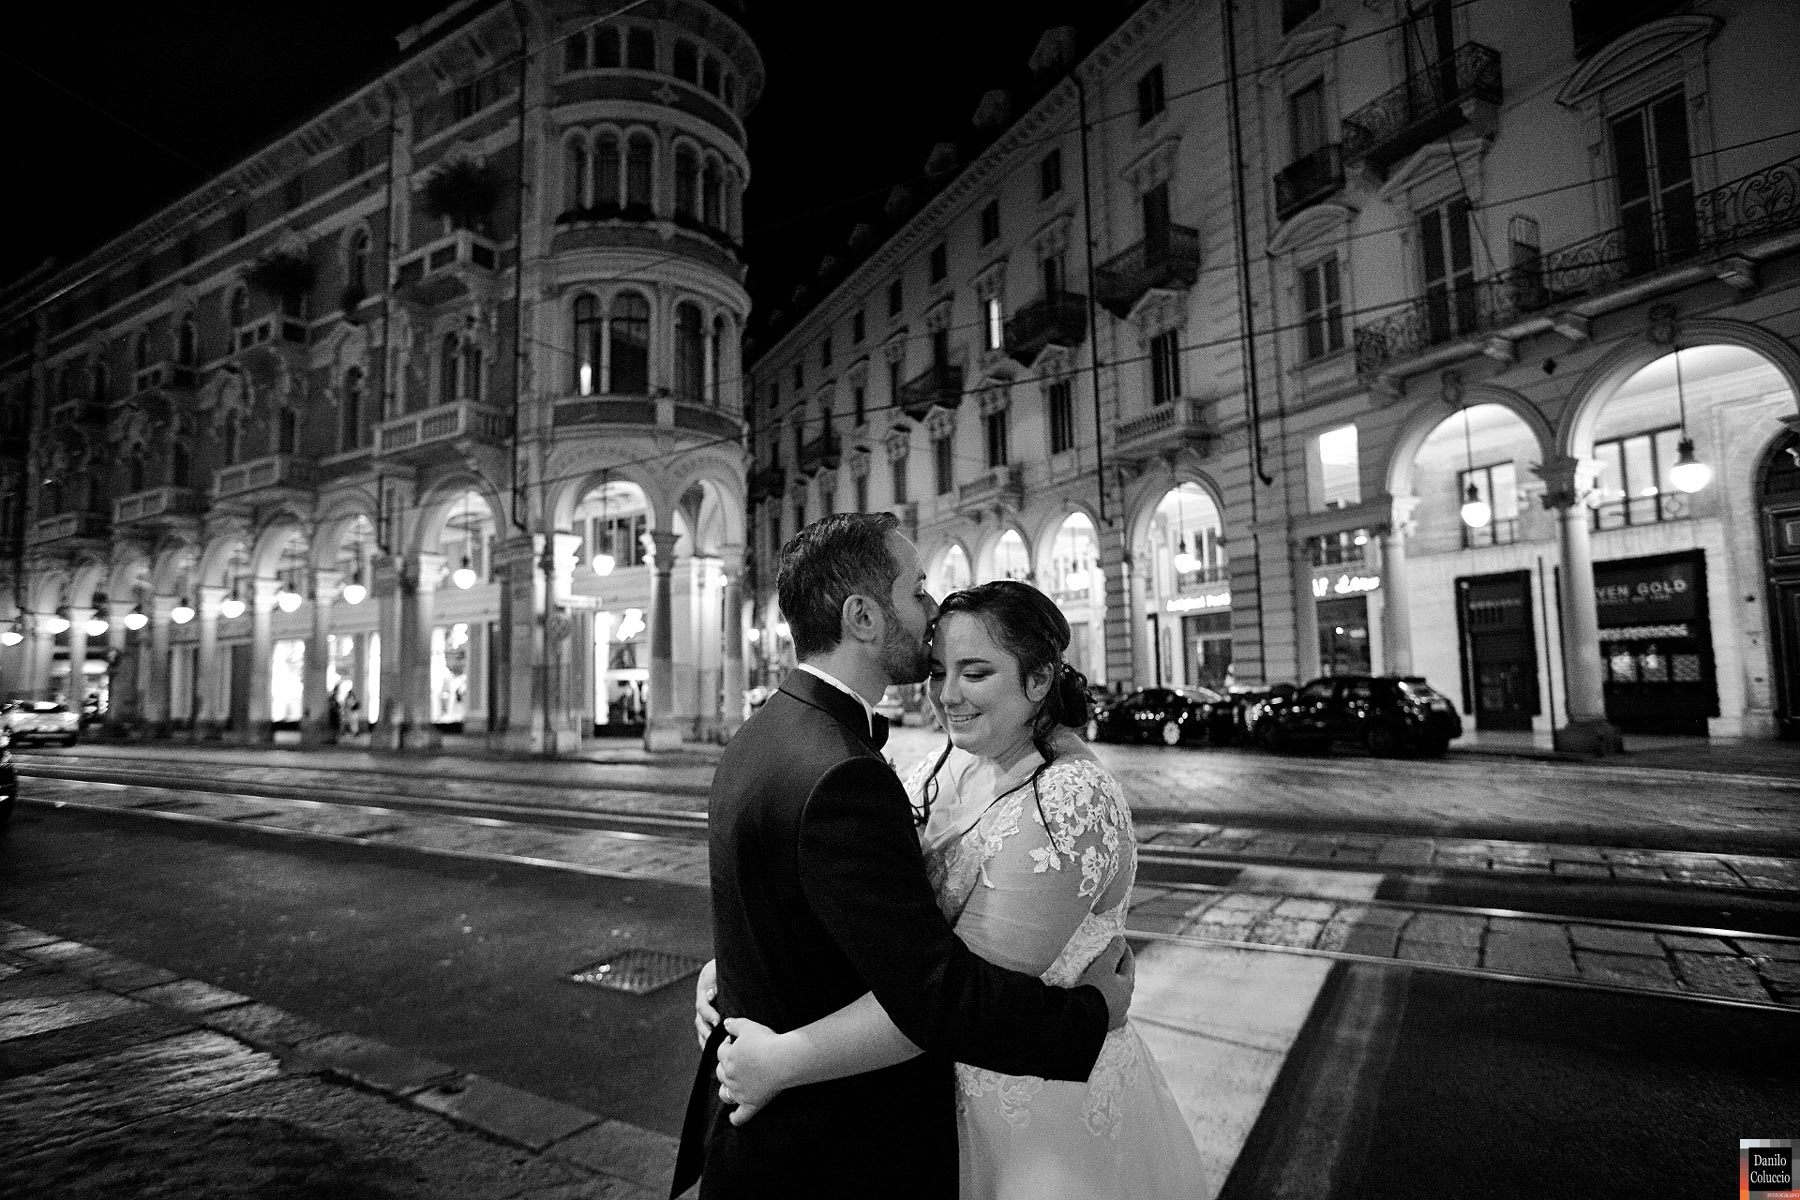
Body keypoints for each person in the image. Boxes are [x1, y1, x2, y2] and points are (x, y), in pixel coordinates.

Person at [672, 514, 1134, 1200]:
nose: (928, 610)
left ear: (1039, 681)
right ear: (863, 616)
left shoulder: (764, 734)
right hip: (833, 1154)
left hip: (885, 1126)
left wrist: (739, 967)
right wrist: (1094, 1014)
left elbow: (803, 901)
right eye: (917, 591)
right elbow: (935, 994)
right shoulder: (842, 769)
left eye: (974, 671)